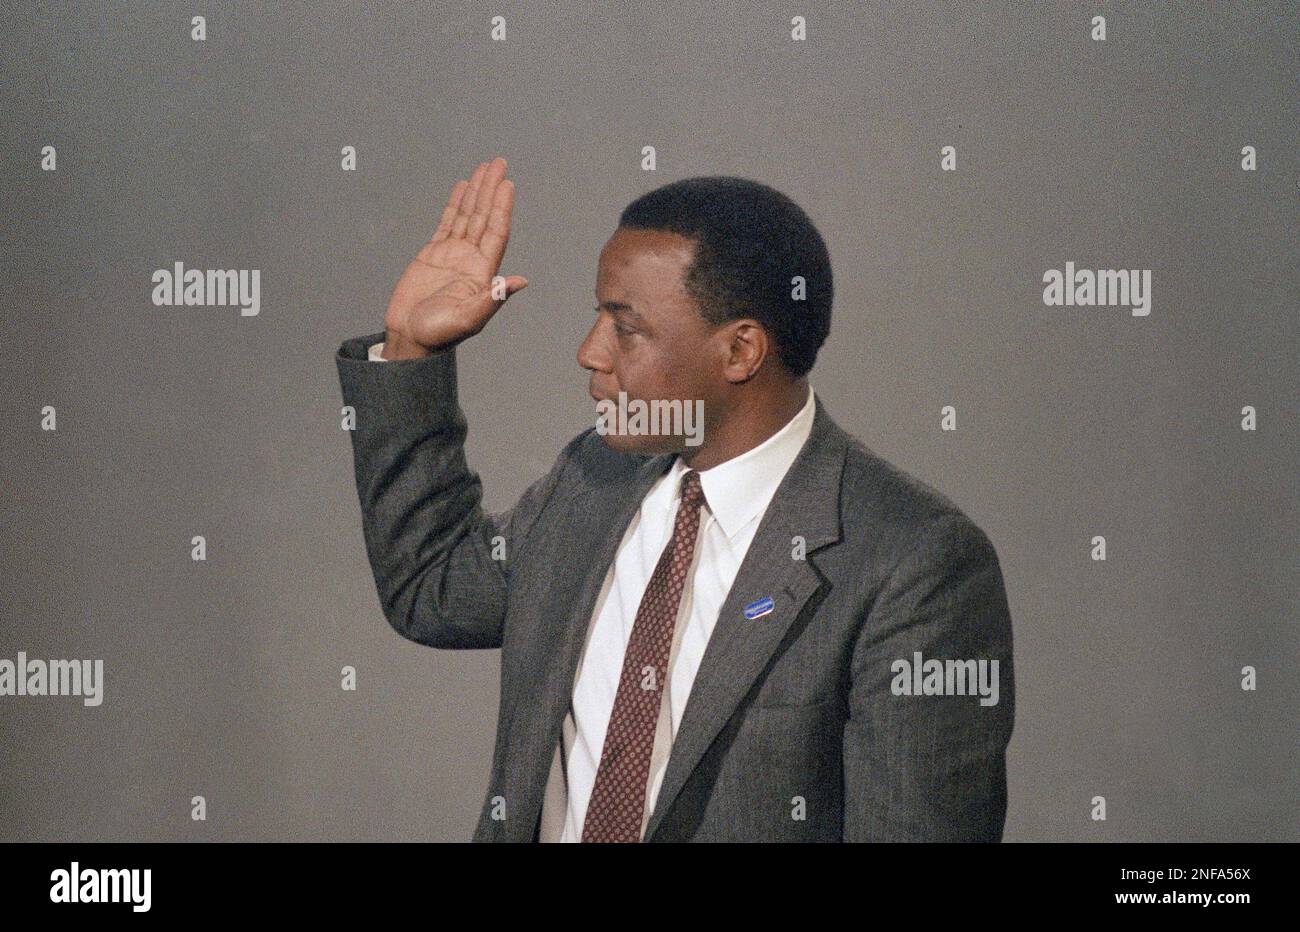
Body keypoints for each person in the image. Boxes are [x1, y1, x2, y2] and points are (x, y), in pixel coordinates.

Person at [335, 156, 1015, 842]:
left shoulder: (914, 563)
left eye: (624, 326)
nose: (589, 352)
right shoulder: (593, 480)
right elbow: (433, 587)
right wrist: (409, 349)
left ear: (740, 350)